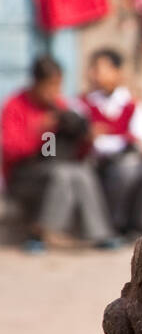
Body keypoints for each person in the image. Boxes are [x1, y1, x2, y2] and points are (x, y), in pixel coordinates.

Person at [1, 56, 118, 251]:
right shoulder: (15, 105)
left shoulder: (59, 106)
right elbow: (10, 150)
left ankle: (100, 234)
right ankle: (39, 233)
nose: (54, 92)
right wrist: (38, 131)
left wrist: (86, 138)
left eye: (57, 86)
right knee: (62, 174)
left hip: (51, 168)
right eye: (50, 86)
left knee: (81, 172)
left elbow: (67, 148)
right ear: (36, 83)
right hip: (22, 176)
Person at [78, 48, 142, 236]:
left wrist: (140, 145)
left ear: (118, 72)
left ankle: (141, 226)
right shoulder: (83, 104)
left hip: (134, 161)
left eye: (101, 69)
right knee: (126, 169)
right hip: (101, 165)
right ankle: (114, 224)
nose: (95, 75)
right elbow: (89, 145)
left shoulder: (133, 106)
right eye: (93, 69)